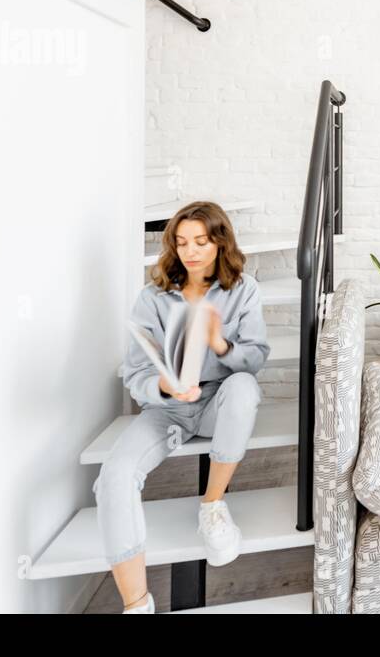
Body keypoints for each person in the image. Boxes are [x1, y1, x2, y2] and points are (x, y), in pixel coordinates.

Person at [95, 200, 269, 614]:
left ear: (219, 243)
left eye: (201, 242)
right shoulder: (153, 298)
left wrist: (219, 344)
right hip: (167, 410)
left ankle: (212, 507)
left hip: (218, 404)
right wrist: (165, 386)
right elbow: (136, 373)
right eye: (181, 242)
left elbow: (256, 357)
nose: (190, 251)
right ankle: (136, 604)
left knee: (244, 387)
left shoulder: (243, 289)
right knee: (114, 477)